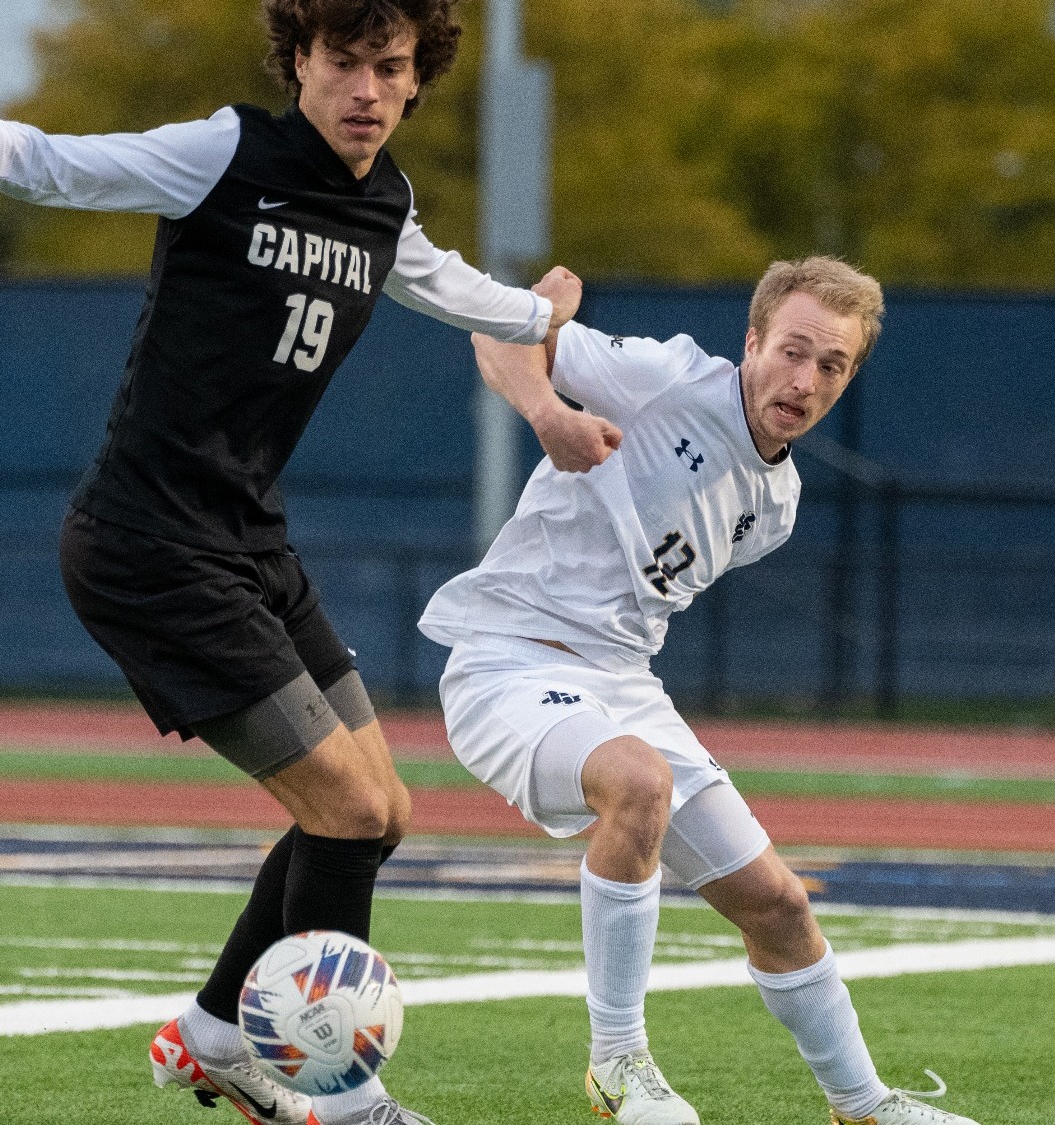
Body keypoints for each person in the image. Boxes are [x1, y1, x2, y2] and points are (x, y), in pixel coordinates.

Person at [0, 4, 577, 1124]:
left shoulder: (384, 204)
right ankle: (341, 1098)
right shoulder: (226, 152)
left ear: (416, 81)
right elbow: (57, 165)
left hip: (248, 539)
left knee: (380, 812)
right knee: (344, 810)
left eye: (390, 67)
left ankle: (211, 1034)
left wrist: (542, 318)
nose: (366, 89)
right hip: (148, 543)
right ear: (300, 60)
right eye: (344, 61)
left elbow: (448, 286)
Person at [419, 257, 979, 1125]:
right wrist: (549, 413)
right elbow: (496, 333)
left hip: (621, 684)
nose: (805, 380)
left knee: (779, 905)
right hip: (508, 663)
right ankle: (618, 1062)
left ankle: (864, 1105)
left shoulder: (777, 506)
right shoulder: (668, 376)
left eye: (832, 365)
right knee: (638, 781)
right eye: (792, 351)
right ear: (751, 343)